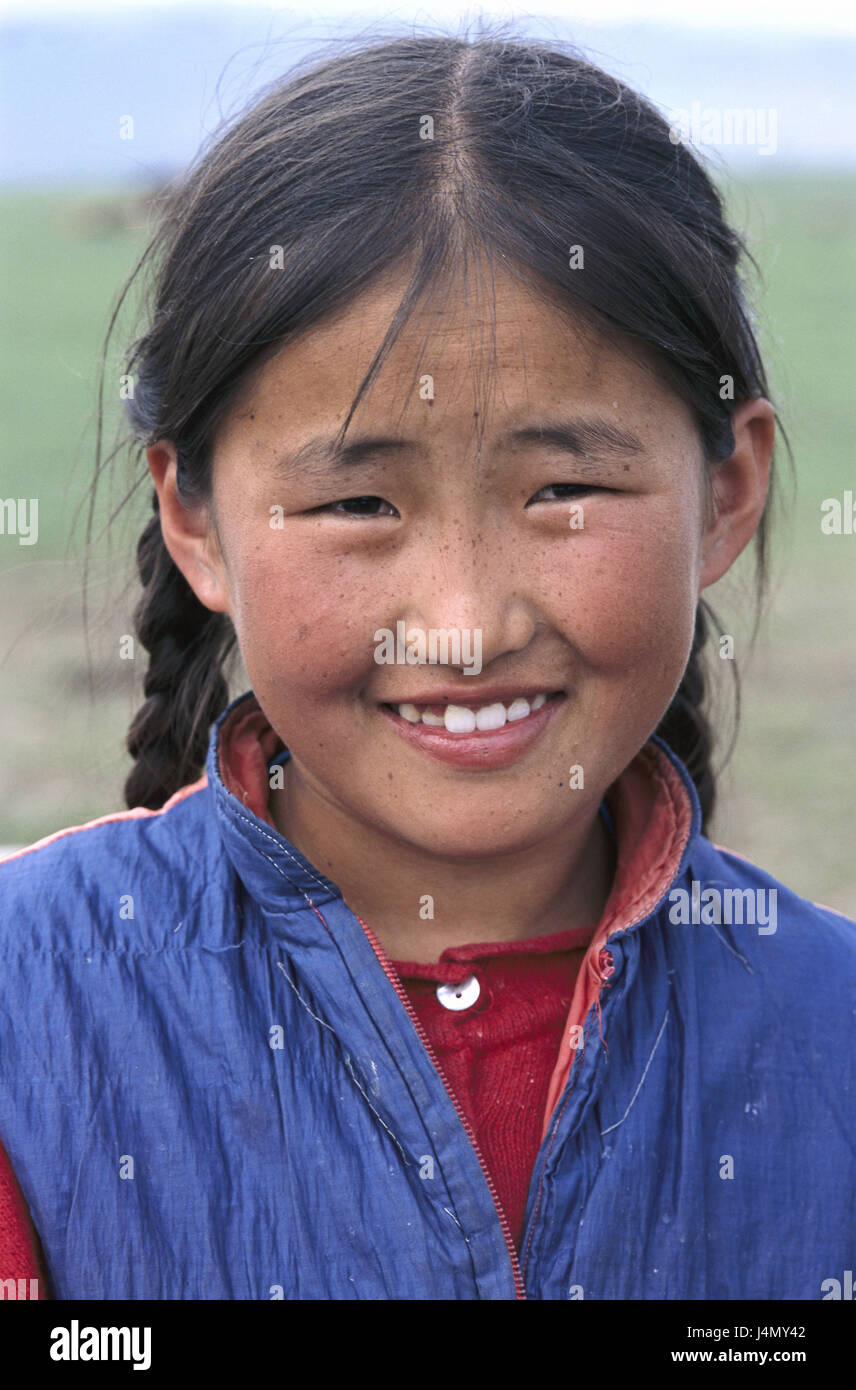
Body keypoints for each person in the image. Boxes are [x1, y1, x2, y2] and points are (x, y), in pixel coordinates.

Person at [0, 30, 853, 1301]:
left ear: (726, 491)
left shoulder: (830, 1031)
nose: (463, 624)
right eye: (356, 504)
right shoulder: (27, 1015)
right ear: (195, 520)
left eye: (564, 488)